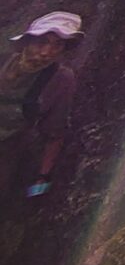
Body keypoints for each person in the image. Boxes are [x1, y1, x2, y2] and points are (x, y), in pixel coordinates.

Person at [0, 12, 83, 205]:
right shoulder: (2, 60)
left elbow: (55, 132)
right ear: (27, 42)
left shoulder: (60, 79)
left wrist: (43, 177)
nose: (47, 52)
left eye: (57, 45)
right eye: (42, 42)